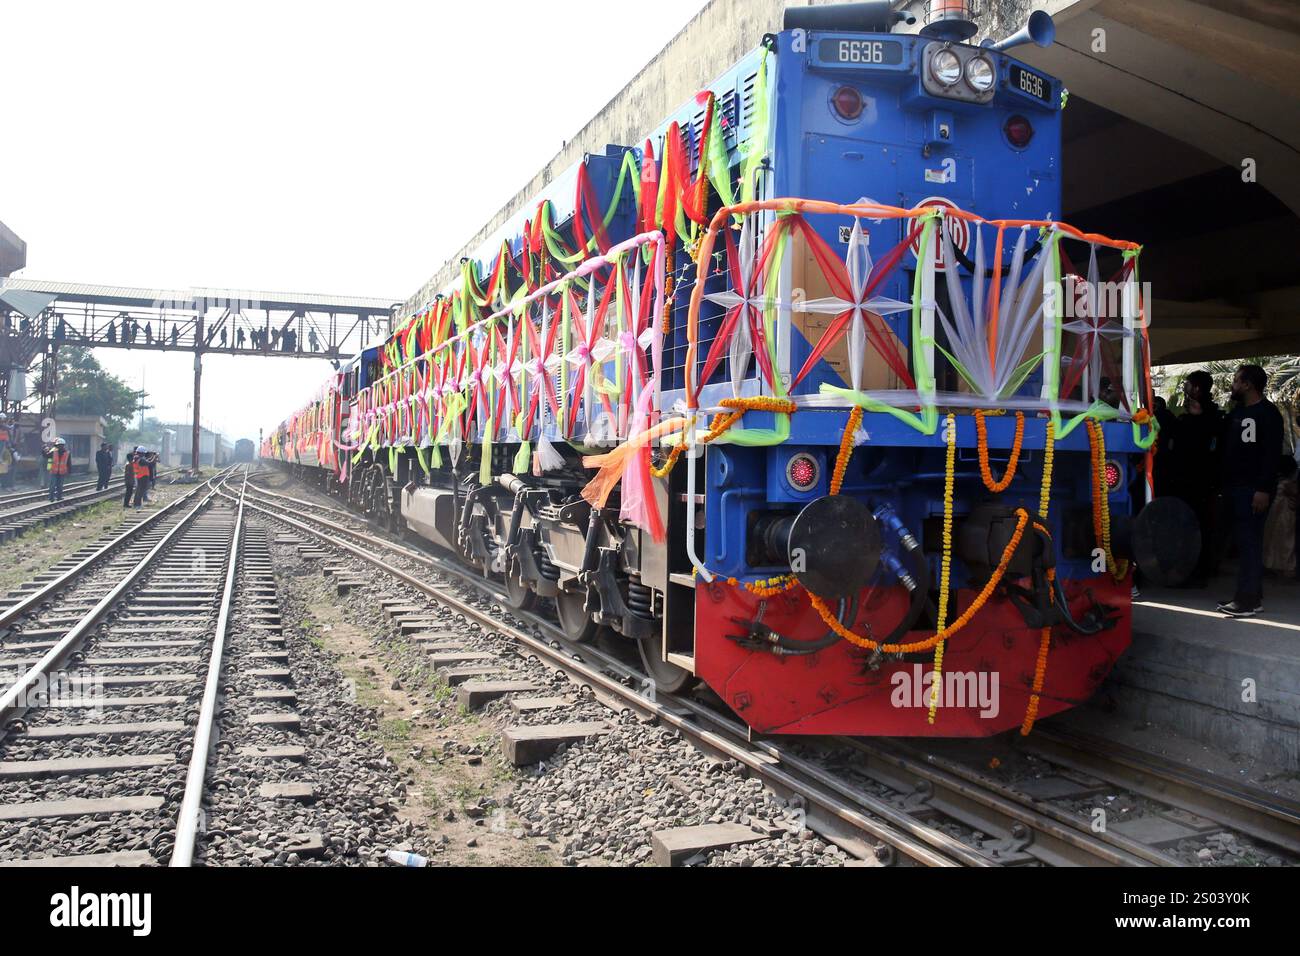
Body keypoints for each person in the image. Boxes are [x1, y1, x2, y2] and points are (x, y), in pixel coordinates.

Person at [1218, 364, 1284, 618]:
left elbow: (1271, 456)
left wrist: (1263, 489)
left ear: (1248, 384)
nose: (1233, 385)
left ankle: (1246, 599)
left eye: (1236, 380)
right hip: (1235, 488)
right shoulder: (1237, 413)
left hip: (1253, 489)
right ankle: (1250, 596)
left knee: (1250, 543)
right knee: (1244, 542)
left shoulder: (1268, 414)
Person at [1172, 371, 1224, 587]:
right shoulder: (1185, 416)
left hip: (1201, 482)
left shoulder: (1214, 418)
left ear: (1197, 389)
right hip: (1183, 480)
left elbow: (1210, 449)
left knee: (1200, 526)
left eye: (1188, 384)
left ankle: (1198, 571)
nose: (1185, 388)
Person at [1263, 456, 1296, 576]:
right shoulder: (1289, 484)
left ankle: (1270, 563)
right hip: (1286, 515)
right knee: (1286, 541)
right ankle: (1284, 566)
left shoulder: (1276, 483)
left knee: (1271, 539)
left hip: (1274, 513)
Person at [44, 437, 71, 501]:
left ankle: (57, 497)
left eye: (60, 445)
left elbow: (68, 463)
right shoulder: (53, 452)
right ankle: (52, 497)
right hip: (54, 471)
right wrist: (45, 450)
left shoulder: (67, 453)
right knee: (54, 485)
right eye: (59, 445)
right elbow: (46, 455)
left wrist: (69, 471)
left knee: (59, 486)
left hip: (61, 472)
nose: (59, 446)